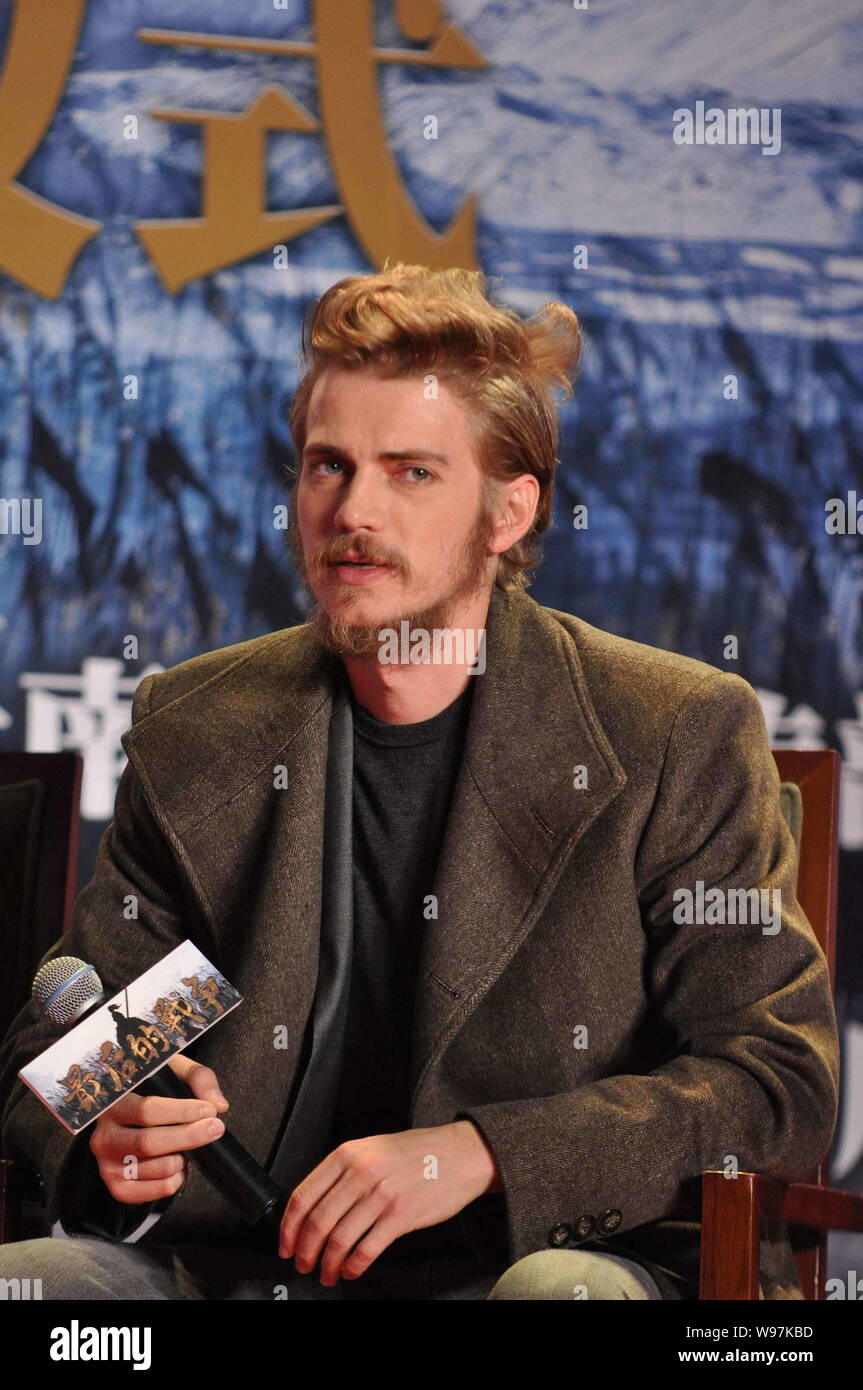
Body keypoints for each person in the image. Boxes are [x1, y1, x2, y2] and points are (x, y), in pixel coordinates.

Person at [0, 264, 839, 1301]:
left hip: (533, 1261)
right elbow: (83, 1034)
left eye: (410, 473)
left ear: (507, 509)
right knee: (32, 1280)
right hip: (242, 1264)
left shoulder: (667, 729)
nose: (352, 509)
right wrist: (110, 1131)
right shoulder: (204, 728)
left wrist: (478, 1153)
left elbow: (773, 1080)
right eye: (325, 466)